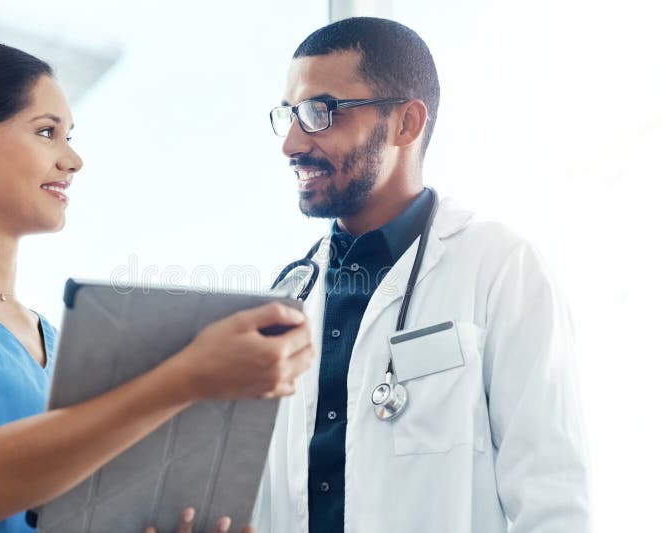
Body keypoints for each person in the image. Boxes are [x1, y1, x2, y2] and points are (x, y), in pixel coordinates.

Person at [0, 41, 311, 532]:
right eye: (47, 132)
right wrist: (186, 378)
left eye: (68, 136)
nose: (73, 160)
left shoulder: (58, 345)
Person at [253, 17, 591, 532]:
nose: (292, 143)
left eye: (320, 113)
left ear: (406, 123)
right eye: (289, 115)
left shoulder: (498, 267)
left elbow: (553, 498)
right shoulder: (285, 298)